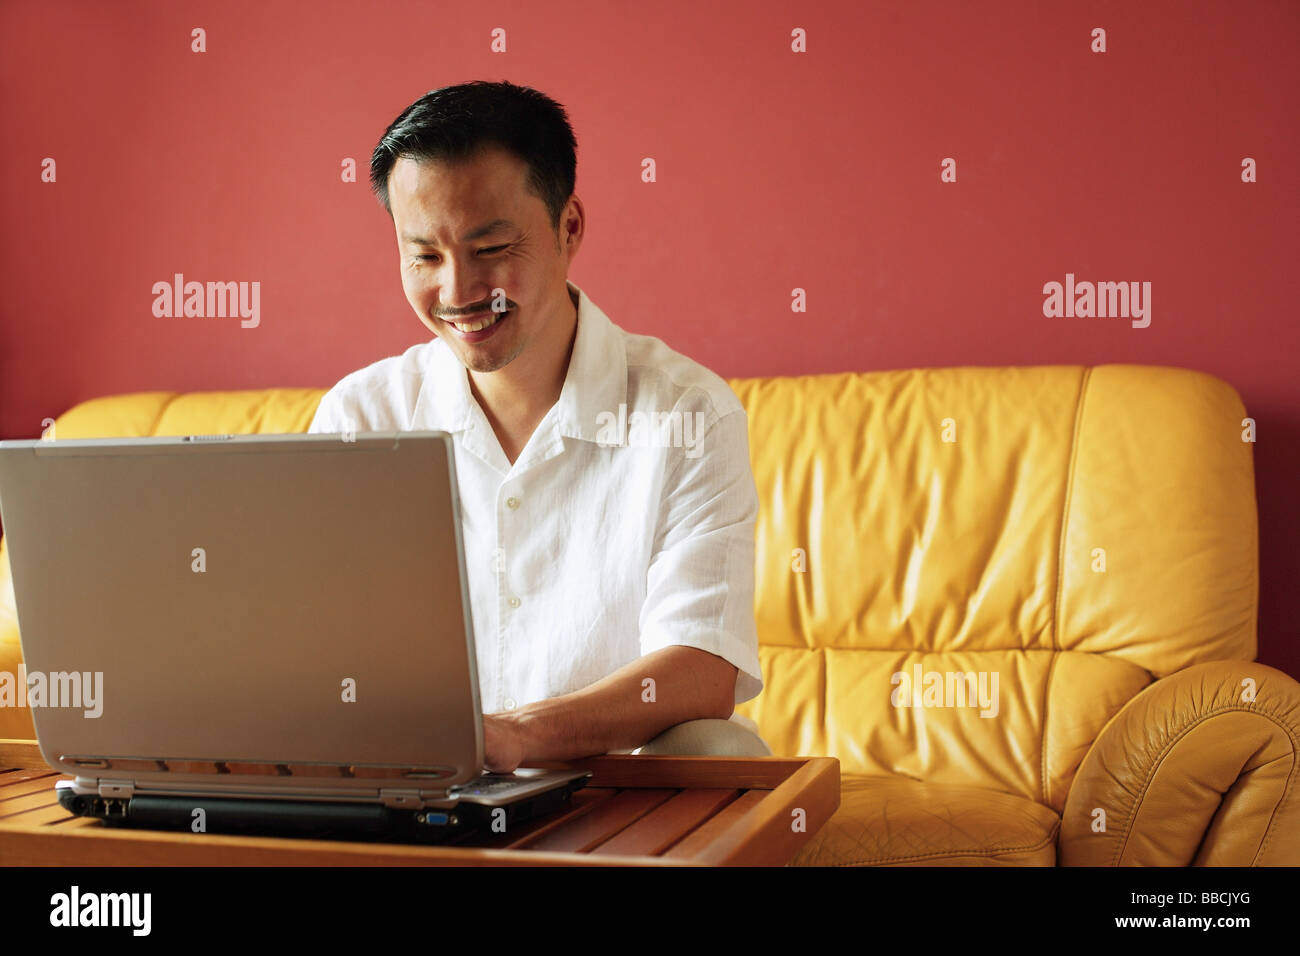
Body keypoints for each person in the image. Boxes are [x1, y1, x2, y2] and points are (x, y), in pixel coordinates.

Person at [309, 80, 770, 771]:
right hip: (417, 782)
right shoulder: (361, 417)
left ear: (569, 228)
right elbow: (313, 646)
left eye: (490, 247)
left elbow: (703, 665)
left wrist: (519, 737)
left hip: (611, 780)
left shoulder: (687, 413)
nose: (459, 292)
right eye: (425, 257)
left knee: (719, 749)